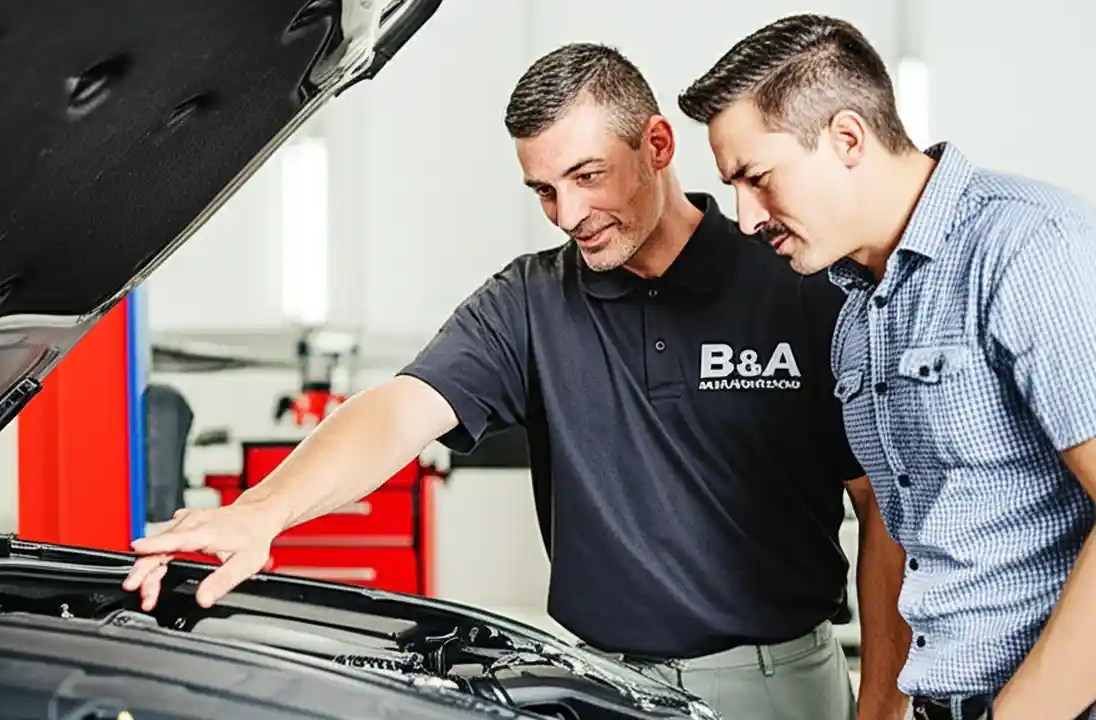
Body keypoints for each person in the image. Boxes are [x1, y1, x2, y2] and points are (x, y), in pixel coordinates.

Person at [124, 43, 910, 720]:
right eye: (543, 190)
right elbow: (397, 412)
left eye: (587, 175)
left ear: (659, 145)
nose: (567, 212)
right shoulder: (530, 302)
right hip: (600, 683)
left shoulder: (792, 277)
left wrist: (882, 703)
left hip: (773, 690)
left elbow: (882, 505)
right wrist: (263, 512)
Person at [676, 13, 1096, 720]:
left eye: (758, 178)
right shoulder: (855, 321)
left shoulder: (1029, 250)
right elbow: (908, 541)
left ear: (847, 137)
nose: (746, 218)